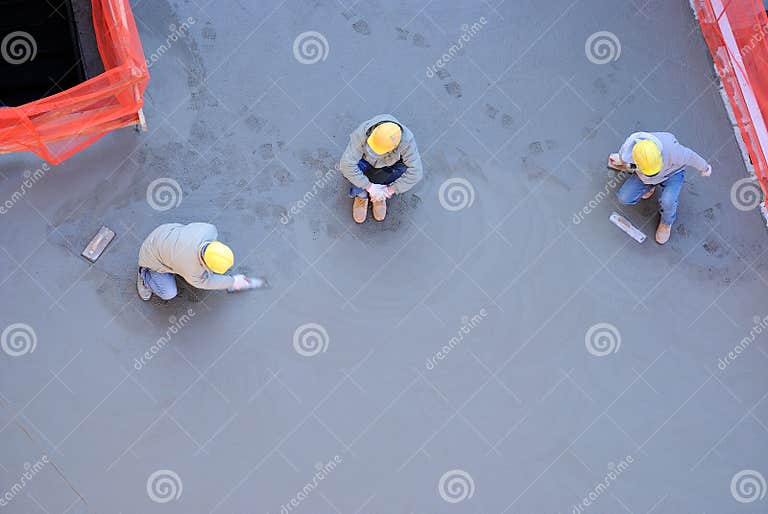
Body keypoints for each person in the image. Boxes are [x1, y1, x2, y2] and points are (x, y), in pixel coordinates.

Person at [610, 132, 712, 244]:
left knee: (668, 200)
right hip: (646, 178)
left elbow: (691, 157)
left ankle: (666, 223)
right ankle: (650, 186)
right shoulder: (627, 152)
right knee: (624, 198)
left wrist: (705, 168)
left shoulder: (673, 150)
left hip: (672, 174)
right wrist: (621, 161)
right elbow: (628, 163)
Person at [136, 222, 259, 300]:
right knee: (168, 293)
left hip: (163, 233)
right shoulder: (192, 271)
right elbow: (206, 282)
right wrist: (232, 282)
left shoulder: (209, 230)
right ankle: (145, 275)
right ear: (205, 264)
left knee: (178, 260)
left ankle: (171, 263)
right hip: (151, 257)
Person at [339, 114, 423, 223]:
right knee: (353, 167)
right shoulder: (363, 132)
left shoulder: (407, 142)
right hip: (364, 162)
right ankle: (361, 195)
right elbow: (346, 164)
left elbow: (416, 172)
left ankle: (380, 195)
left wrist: (389, 190)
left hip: (387, 166)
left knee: (402, 168)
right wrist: (368, 187)